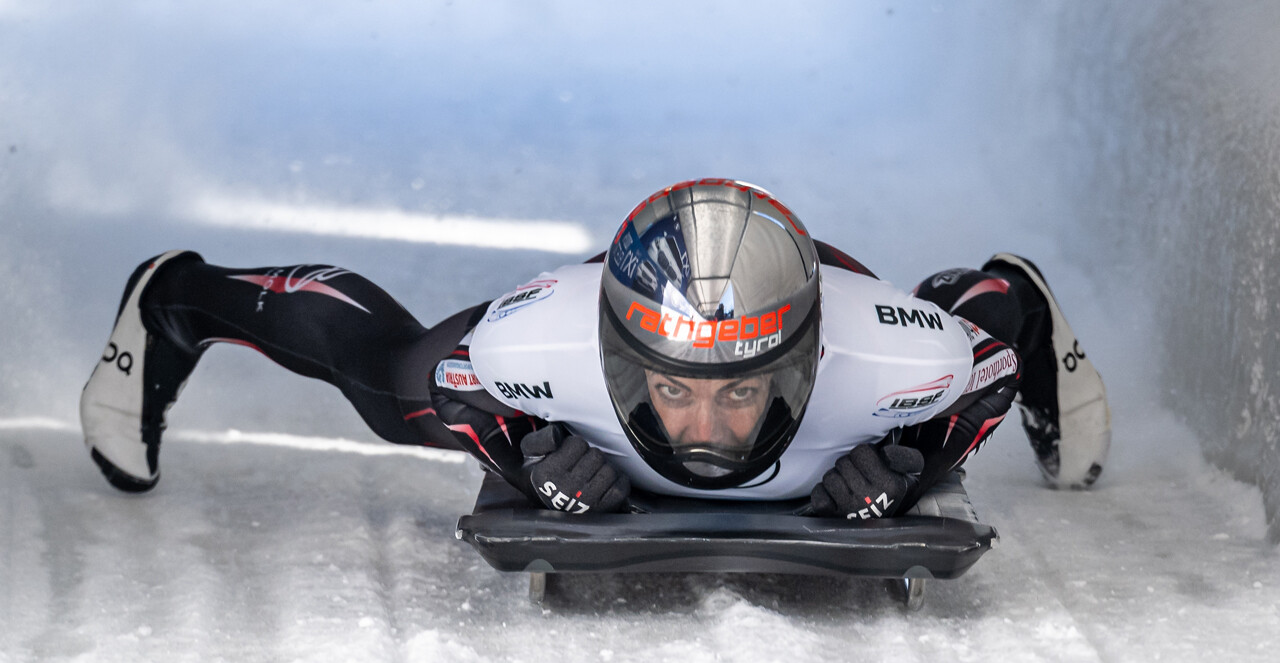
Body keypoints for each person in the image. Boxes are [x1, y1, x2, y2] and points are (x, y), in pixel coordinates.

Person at [79, 179, 1111, 519]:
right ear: (622, 364)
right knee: (392, 393)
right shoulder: (539, 348)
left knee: (976, 318)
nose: (703, 425)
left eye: (739, 395)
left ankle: (1010, 277)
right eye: (674, 392)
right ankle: (177, 300)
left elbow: (985, 368)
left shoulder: (900, 364)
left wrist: (919, 461)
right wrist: (521, 451)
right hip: (625, 280)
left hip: (827, 282)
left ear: (797, 367)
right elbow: (448, 385)